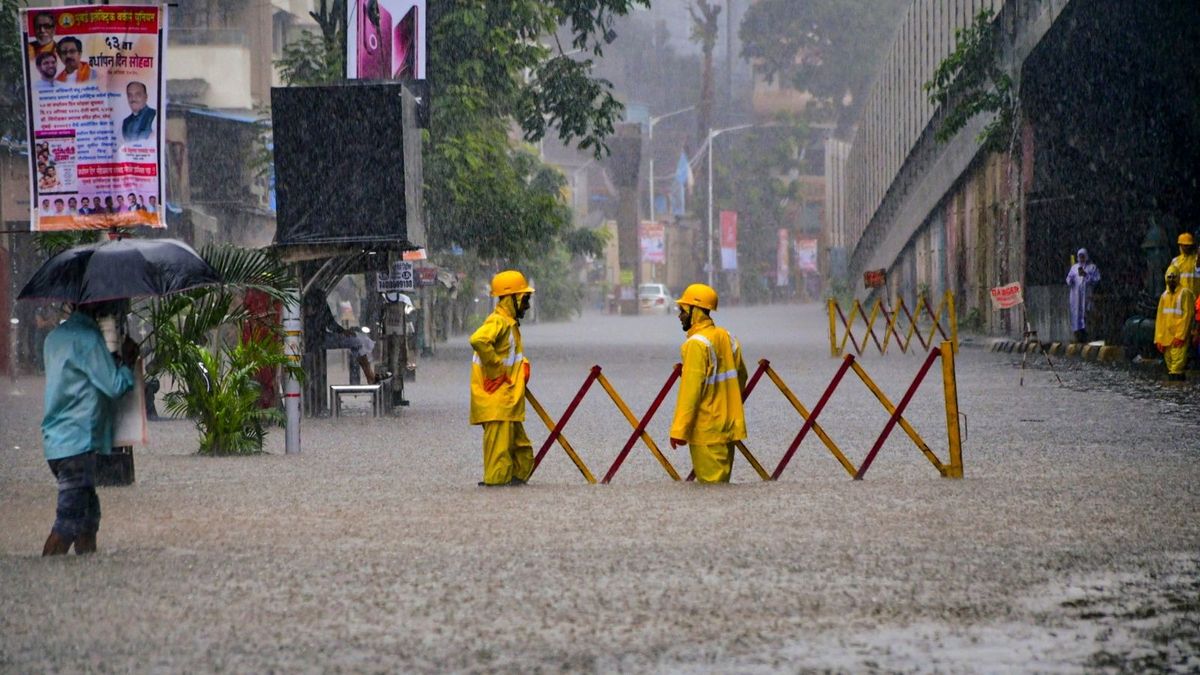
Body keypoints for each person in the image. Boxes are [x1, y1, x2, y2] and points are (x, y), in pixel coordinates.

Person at [40, 302, 139, 555]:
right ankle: (47, 576)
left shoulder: (55, 337)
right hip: (78, 444)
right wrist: (127, 363)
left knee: (88, 518)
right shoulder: (88, 339)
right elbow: (114, 386)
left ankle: (86, 574)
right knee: (69, 522)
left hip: (56, 443)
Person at [668, 283, 749, 483]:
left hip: (706, 430)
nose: (680, 316)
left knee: (712, 491)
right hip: (727, 427)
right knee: (721, 489)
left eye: (683, 310)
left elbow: (691, 393)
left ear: (695, 311)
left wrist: (679, 430)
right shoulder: (727, 337)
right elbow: (742, 376)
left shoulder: (697, 344)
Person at [469, 270, 535, 487]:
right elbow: (478, 340)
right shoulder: (498, 322)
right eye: (524, 299)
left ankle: (514, 484)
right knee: (499, 459)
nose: (527, 304)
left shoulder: (510, 324)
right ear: (512, 299)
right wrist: (497, 371)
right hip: (497, 401)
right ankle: (496, 490)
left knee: (521, 450)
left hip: (509, 401)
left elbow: (511, 355)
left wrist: (522, 367)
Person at [303, 289, 388, 384]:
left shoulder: (320, 298)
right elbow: (328, 322)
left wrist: (343, 331)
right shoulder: (311, 298)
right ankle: (370, 376)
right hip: (315, 338)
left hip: (320, 336)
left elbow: (329, 322)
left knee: (358, 341)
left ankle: (370, 375)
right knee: (356, 342)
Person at [1155, 265, 1195, 382]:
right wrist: (1159, 339)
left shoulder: (1185, 293)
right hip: (1166, 339)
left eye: (1173, 277)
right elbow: (1160, 318)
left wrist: (1181, 335)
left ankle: (1176, 392)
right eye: (1169, 277)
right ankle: (1174, 392)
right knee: (1170, 366)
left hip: (1178, 338)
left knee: (1177, 367)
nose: (1171, 279)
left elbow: (1187, 315)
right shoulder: (1164, 296)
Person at [1065, 248, 1100, 343]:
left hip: (1086, 296)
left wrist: (1086, 275)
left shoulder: (1092, 267)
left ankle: (1087, 336)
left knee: (1087, 315)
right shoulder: (1074, 268)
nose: (1081, 258)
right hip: (1076, 297)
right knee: (1076, 316)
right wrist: (1070, 279)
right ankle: (1078, 336)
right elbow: (1068, 280)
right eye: (1080, 256)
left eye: (1083, 256)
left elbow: (1096, 280)